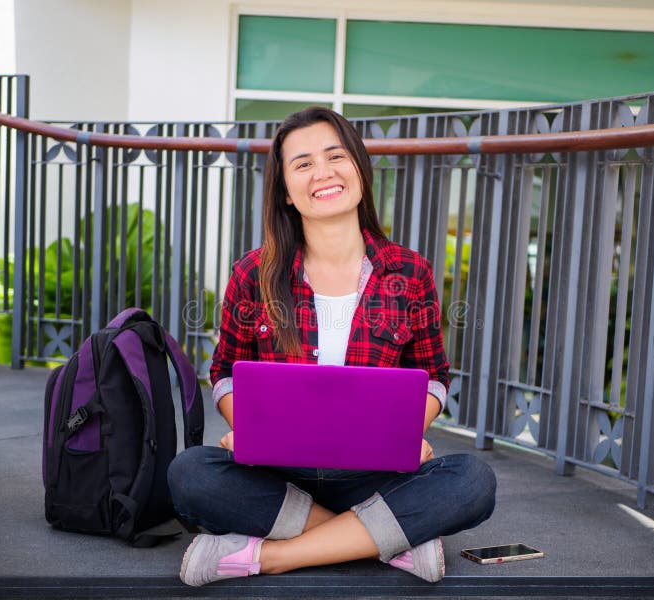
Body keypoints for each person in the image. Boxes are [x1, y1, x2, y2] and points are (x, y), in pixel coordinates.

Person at [167, 106, 496, 586]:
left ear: (359, 168)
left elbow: (434, 375)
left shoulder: (409, 273)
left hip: (375, 474)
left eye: (335, 155)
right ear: (285, 189)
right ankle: (387, 540)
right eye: (302, 163)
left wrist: (409, 430)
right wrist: (248, 429)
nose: (322, 172)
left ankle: (271, 555)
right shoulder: (252, 274)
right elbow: (225, 372)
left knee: (472, 482)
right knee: (190, 473)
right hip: (279, 474)